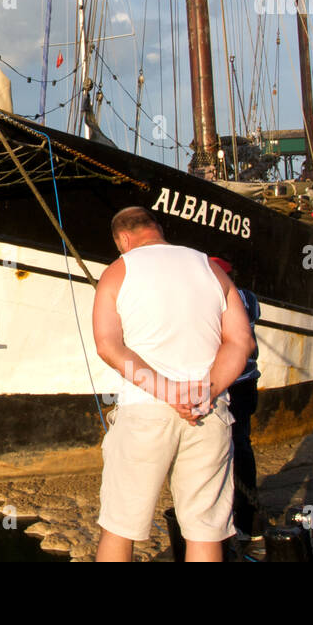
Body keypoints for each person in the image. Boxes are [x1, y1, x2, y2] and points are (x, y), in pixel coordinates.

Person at [92, 206, 255, 562]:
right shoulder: (211, 269)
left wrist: (165, 390)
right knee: (205, 531)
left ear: (123, 239)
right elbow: (241, 342)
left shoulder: (118, 272)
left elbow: (108, 344)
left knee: (120, 527)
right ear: (158, 229)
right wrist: (207, 390)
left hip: (144, 412)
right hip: (208, 412)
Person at [209, 256, 260, 540]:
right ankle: (247, 514)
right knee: (242, 445)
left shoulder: (219, 299)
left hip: (228, 384)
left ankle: (230, 516)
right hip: (248, 381)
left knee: (223, 449)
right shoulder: (249, 298)